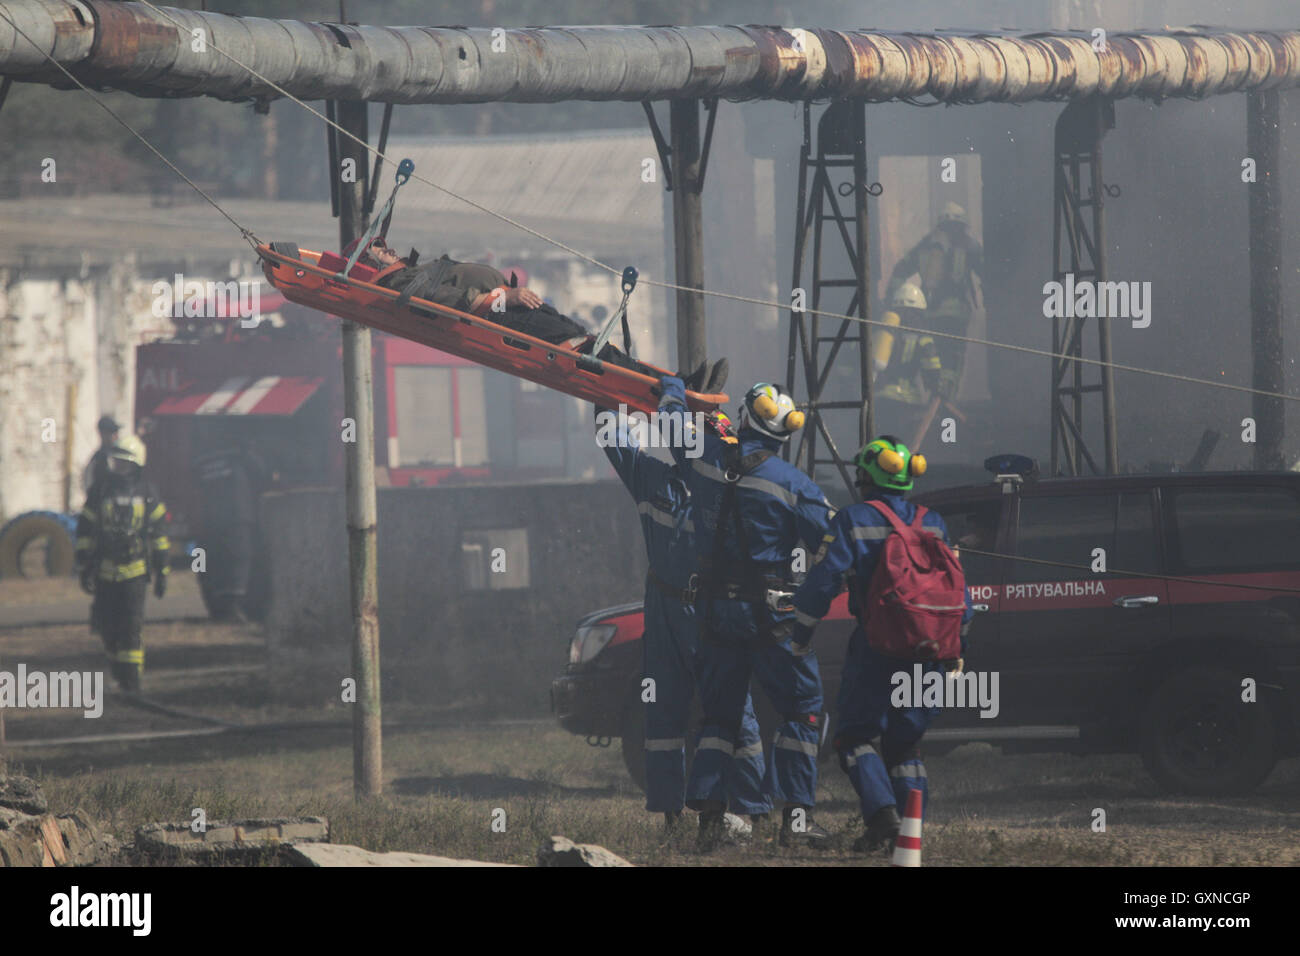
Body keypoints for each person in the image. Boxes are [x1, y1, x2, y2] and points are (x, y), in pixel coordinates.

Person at [659, 376, 835, 850]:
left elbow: (672, 425)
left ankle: (710, 825)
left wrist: (674, 389)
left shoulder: (705, 460)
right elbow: (831, 547)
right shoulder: (793, 484)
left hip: (715, 613)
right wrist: (815, 604)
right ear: (784, 432)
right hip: (772, 618)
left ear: (744, 417)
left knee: (719, 718)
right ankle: (795, 824)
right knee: (801, 711)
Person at [790, 436, 973, 854]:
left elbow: (821, 584)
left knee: (853, 737)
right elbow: (957, 587)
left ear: (866, 475)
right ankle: (909, 837)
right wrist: (957, 643)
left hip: (877, 648)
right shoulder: (934, 522)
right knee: (905, 745)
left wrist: (800, 636)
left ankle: (882, 817)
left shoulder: (854, 519)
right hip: (929, 652)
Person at [597, 405, 769, 840]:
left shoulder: (737, 494)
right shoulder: (654, 480)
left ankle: (750, 809)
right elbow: (614, 440)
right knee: (663, 710)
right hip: (665, 609)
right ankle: (673, 813)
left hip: (713, 612)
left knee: (732, 710)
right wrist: (608, 400)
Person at [348, 237, 728, 393]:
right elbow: (451, 303)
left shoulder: (408, 276)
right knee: (584, 349)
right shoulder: (401, 284)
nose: (388, 247)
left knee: (588, 344)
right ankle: (675, 388)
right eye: (379, 248)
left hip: (512, 310)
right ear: (369, 260)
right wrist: (505, 297)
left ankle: (676, 384)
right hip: (504, 319)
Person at [74, 435, 171, 692]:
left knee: (130, 626)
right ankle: (118, 673)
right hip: (105, 572)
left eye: (124, 463)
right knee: (108, 627)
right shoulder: (100, 490)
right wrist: (84, 564)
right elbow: (84, 527)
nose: (118, 468)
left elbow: (159, 535)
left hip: (135, 573)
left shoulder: (148, 493)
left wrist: (162, 572)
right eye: (115, 462)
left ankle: (131, 680)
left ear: (137, 464)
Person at [885, 202, 983, 401]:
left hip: (928, 312)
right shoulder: (969, 245)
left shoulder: (926, 245)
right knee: (952, 356)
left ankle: (935, 392)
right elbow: (987, 272)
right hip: (956, 314)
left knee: (932, 351)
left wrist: (890, 301)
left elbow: (900, 270)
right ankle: (944, 396)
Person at [192, 436, 271, 623]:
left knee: (215, 563)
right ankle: (235, 607)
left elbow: (194, 484)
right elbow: (262, 473)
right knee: (240, 561)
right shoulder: (241, 456)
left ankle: (219, 608)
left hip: (211, 521)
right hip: (238, 519)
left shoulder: (201, 461)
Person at [82, 414, 122, 494]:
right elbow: (88, 483)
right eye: (113, 432)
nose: (117, 436)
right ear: (102, 434)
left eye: (116, 432)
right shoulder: (97, 459)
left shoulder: (122, 455)